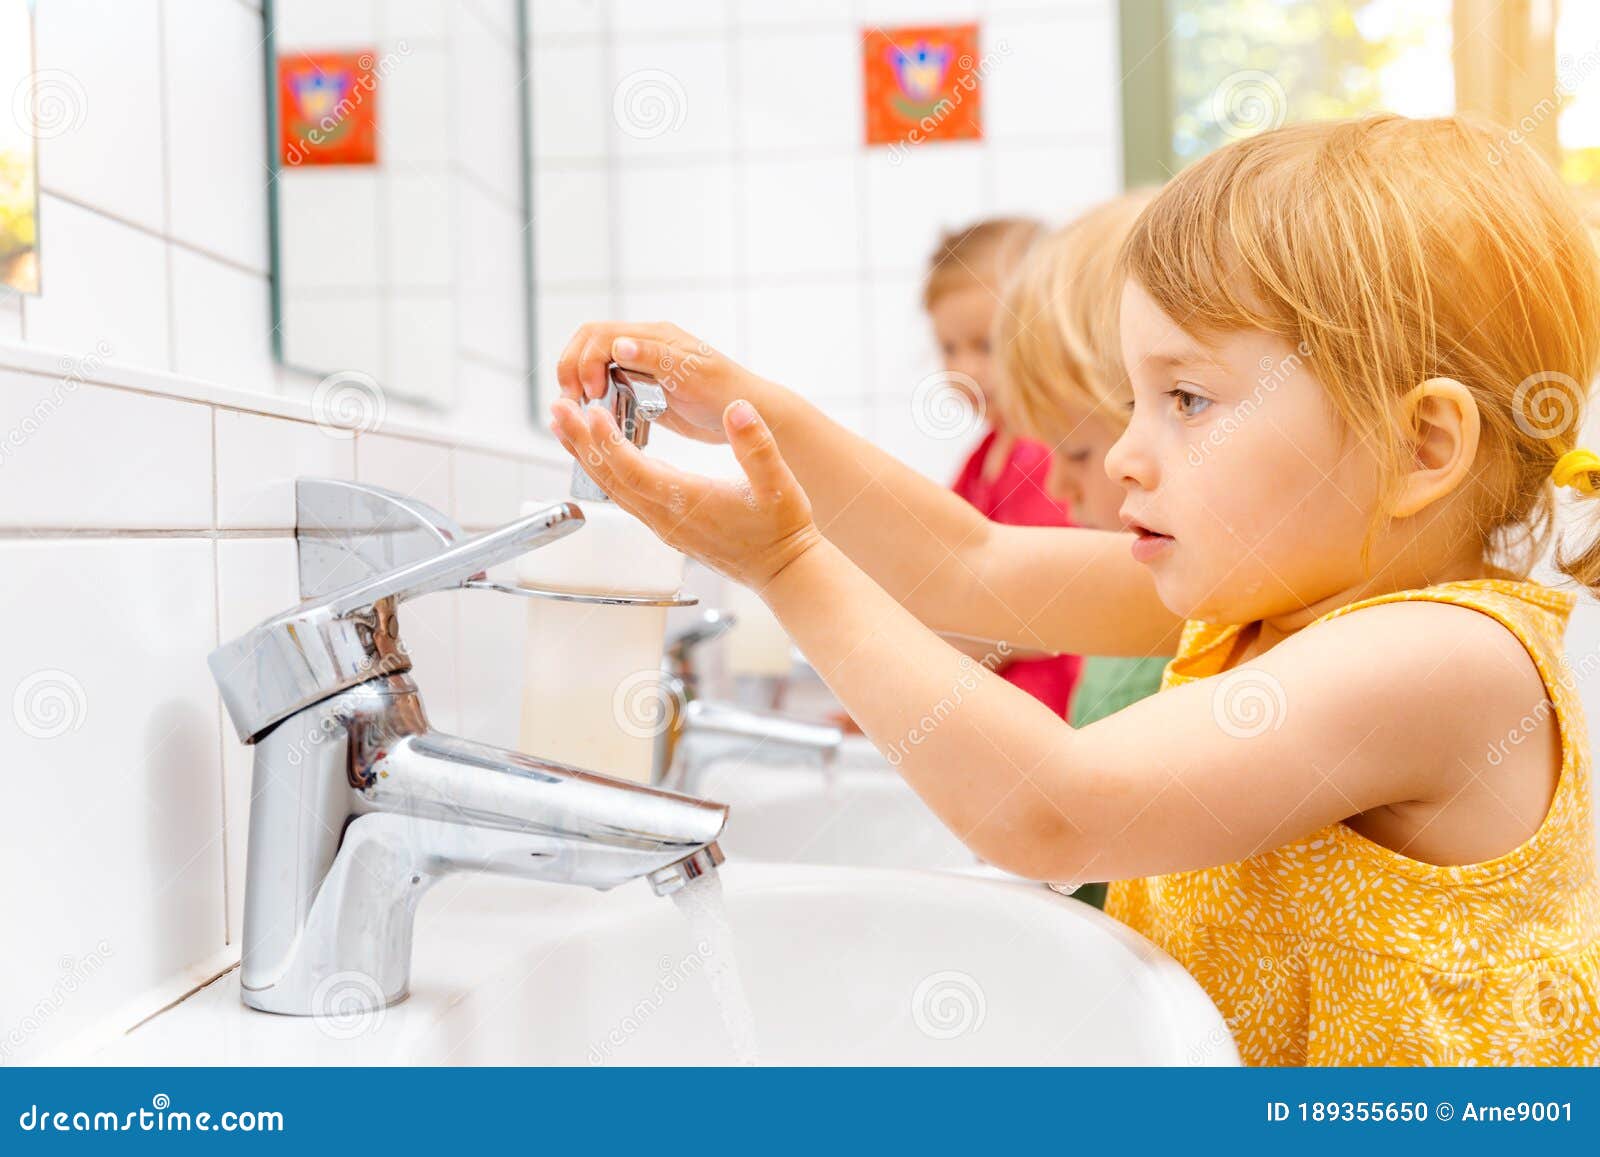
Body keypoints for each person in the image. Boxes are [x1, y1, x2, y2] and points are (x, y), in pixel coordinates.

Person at [550, 115, 1600, 1065]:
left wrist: (782, 564)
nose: (1130, 457)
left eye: (1187, 398)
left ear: (1419, 446)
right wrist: (742, 404)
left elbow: (1052, 810)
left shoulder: (1444, 658)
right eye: (1133, 401)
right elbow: (967, 564)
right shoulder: (1264, 597)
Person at [994, 191, 1166, 909]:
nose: (1058, 484)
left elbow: (1061, 819)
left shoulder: (1193, 600)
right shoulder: (1149, 580)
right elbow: (969, 557)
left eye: (1077, 450)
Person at [926, 218, 1081, 718]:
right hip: (1001, 717)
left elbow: (1049, 612)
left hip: (1050, 716)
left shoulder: (1048, 453)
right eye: (949, 348)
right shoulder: (984, 455)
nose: (964, 370)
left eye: (986, 346)